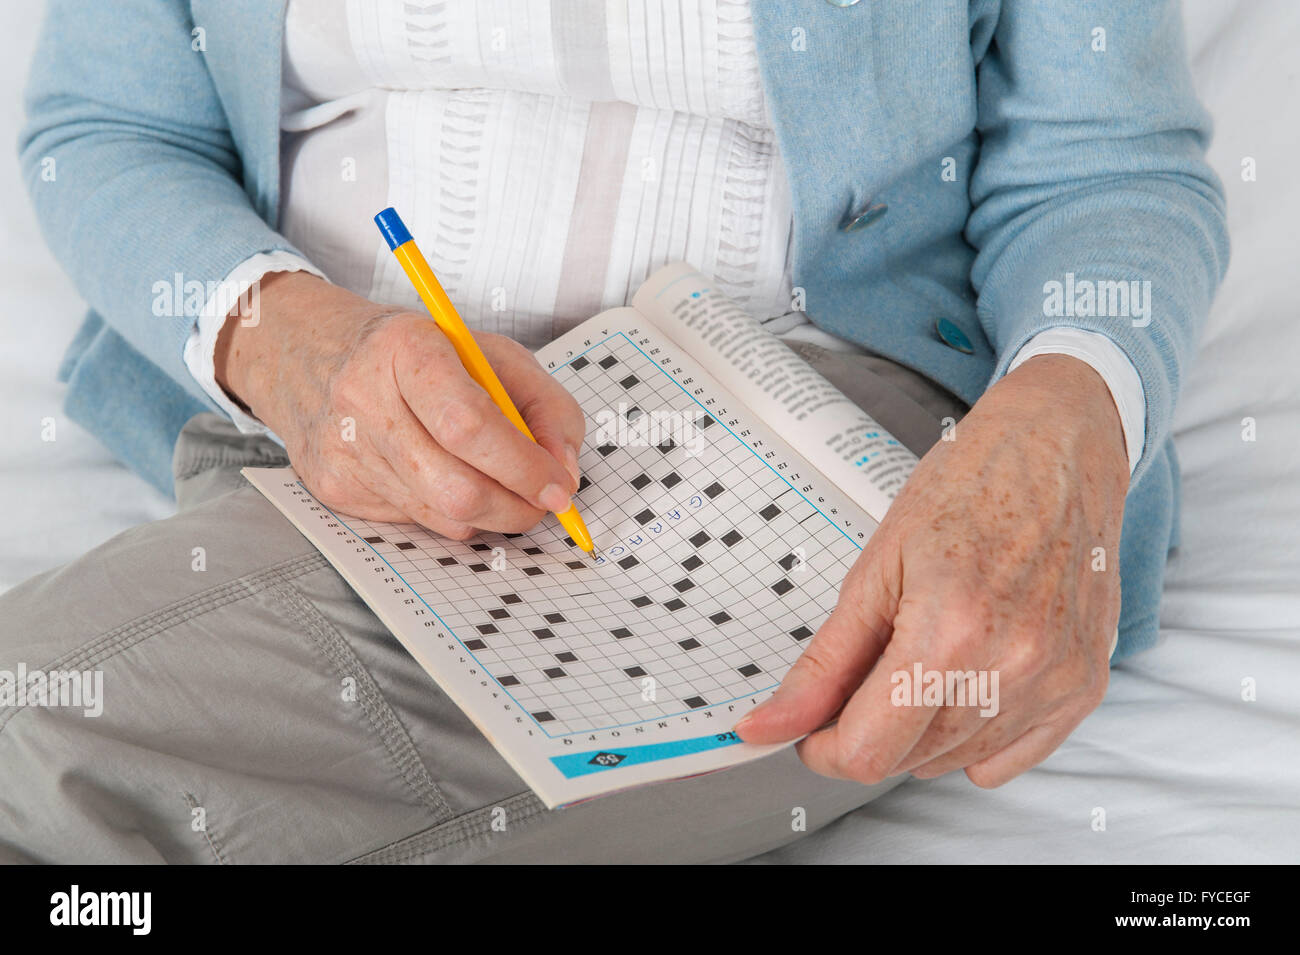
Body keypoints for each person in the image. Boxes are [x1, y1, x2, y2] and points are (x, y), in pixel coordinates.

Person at [0, 0, 1227, 863]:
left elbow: (1103, 169)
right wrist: (280, 339)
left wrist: (1064, 427)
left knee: (30, 736)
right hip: (316, 417)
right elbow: (108, 128)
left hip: (808, 435)